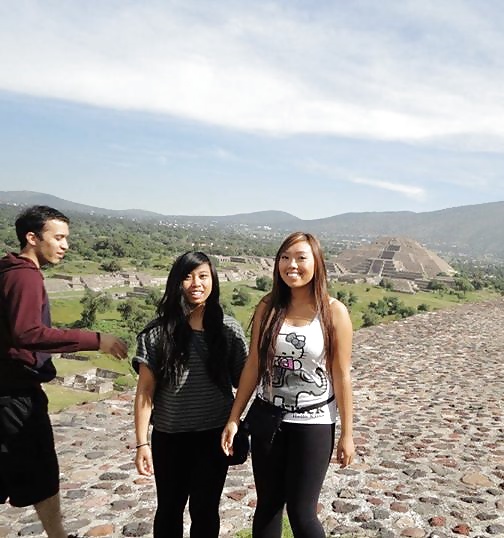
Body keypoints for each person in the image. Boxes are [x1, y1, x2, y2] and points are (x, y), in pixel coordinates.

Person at [0, 205, 128, 538]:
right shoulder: (24, 276)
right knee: (42, 472)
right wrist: (96, 340)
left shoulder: (7, 271)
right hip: (15, 393)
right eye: (58, 238)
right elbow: (28, 333)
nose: (65, 245)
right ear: (32, 238)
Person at [222, 231, 355, 538]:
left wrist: (347, 434)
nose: (291, 265)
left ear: (317, 264)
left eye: (300, 258)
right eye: (285, 257)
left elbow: (341, 375)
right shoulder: (268, 306)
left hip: (314, 422)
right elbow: (254, 365)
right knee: (268, 506)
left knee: (301, 511)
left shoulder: (333, 312)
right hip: (268, 417)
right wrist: (234, 417)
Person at [133, 251, 248, 538]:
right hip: (170, 436)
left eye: (203, 276)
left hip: (213, 436)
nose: (196, 283)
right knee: (169, 510)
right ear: (176, 283)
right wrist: (141, 443)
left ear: (213, 281)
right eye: (187, 276)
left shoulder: (228, 330)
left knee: (205, 511)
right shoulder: (158, 333)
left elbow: (244, 381)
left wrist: (234, 422)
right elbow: (145, 391)